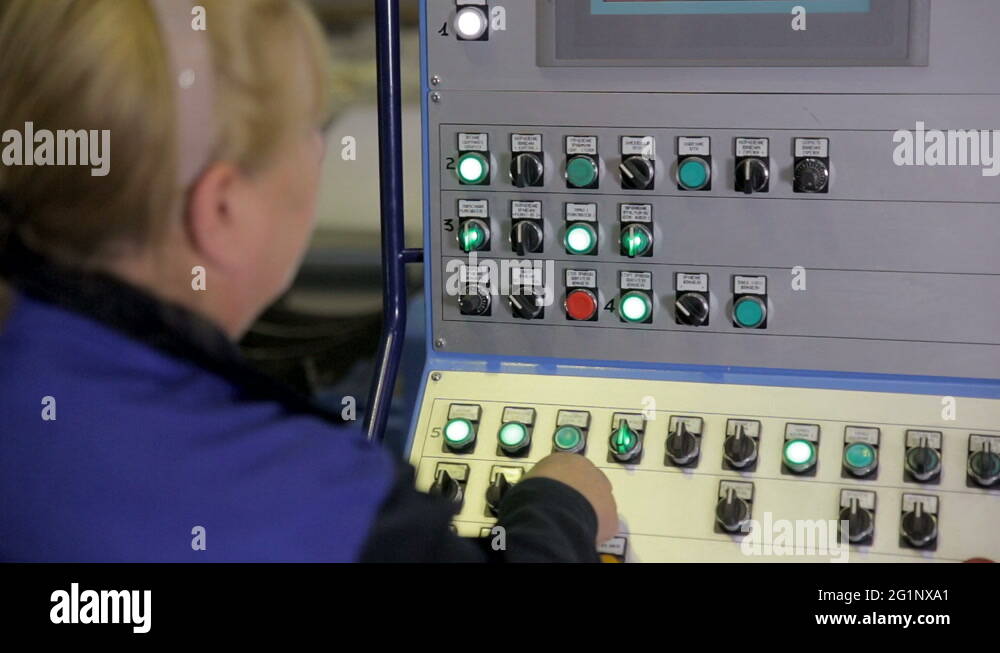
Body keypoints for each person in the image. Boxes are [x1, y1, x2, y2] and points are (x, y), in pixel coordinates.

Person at [0, 0, 617, 562]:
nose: (322, 152)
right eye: (310, 129)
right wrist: (562, 510)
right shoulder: (316, 504)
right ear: (222, 211)